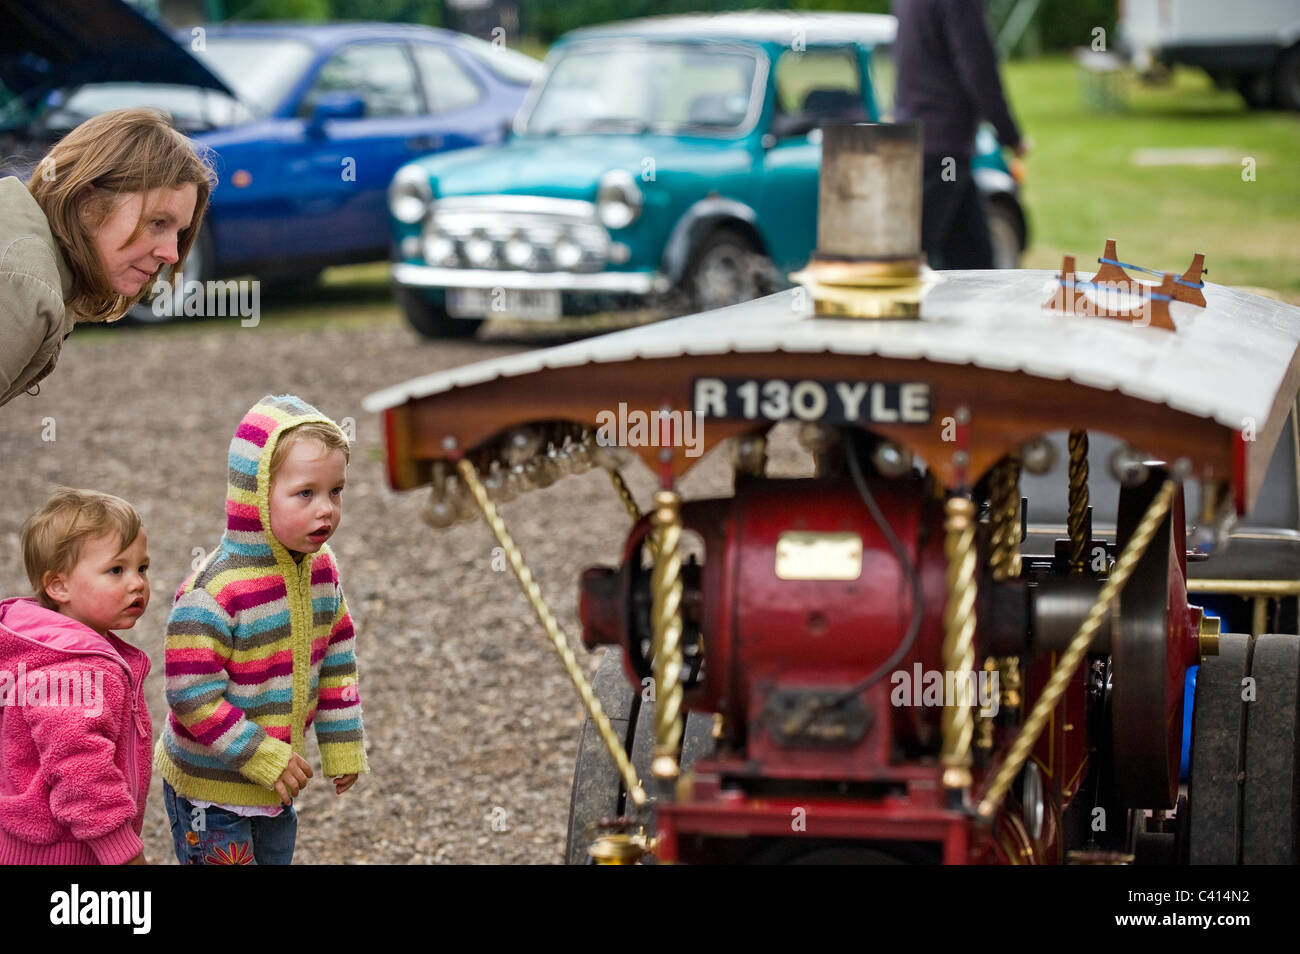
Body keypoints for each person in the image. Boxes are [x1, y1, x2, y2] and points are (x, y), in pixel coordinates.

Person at [155, 394, 369, 865]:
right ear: (255, 494)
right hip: (212, 793)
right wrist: (259, 754)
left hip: (276, 782)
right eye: (306, 493)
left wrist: (343, 745)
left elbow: (336, 660)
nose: (326, 510)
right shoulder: (215, 591)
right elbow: (190, 693)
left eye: (336, 491)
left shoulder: (321, 571)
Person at [0, 107, 213, 408]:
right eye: (157, 223)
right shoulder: (25, 280)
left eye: (179, 232)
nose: (171, 253)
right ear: (88, 201)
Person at [0, 489, 153, 864]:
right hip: (62, 855)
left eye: (142, 568)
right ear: (59, 586)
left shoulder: (53, 647)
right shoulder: (74, 673)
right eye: (116, 570)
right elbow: (83, 775)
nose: (137, 583)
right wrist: (122, 852)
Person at [892, 0, 1028, 269]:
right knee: (903, 261)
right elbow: (979, 66)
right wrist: (1011, 136)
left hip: (919, 139)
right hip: (941, 149)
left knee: (975, 261)